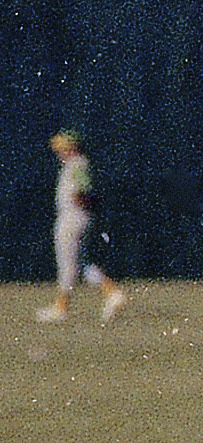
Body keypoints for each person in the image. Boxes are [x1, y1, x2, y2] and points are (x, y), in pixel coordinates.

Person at [37, 130, 126, 324]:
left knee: (67, 264)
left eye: (62, 148)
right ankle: (113, 293)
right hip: (75, 217)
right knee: (82, 264)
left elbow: (84, 191)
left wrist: (78, 202)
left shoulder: (77, 165)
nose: (59, 152)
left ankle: (61, 308)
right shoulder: (74, 165)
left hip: (72, 217)